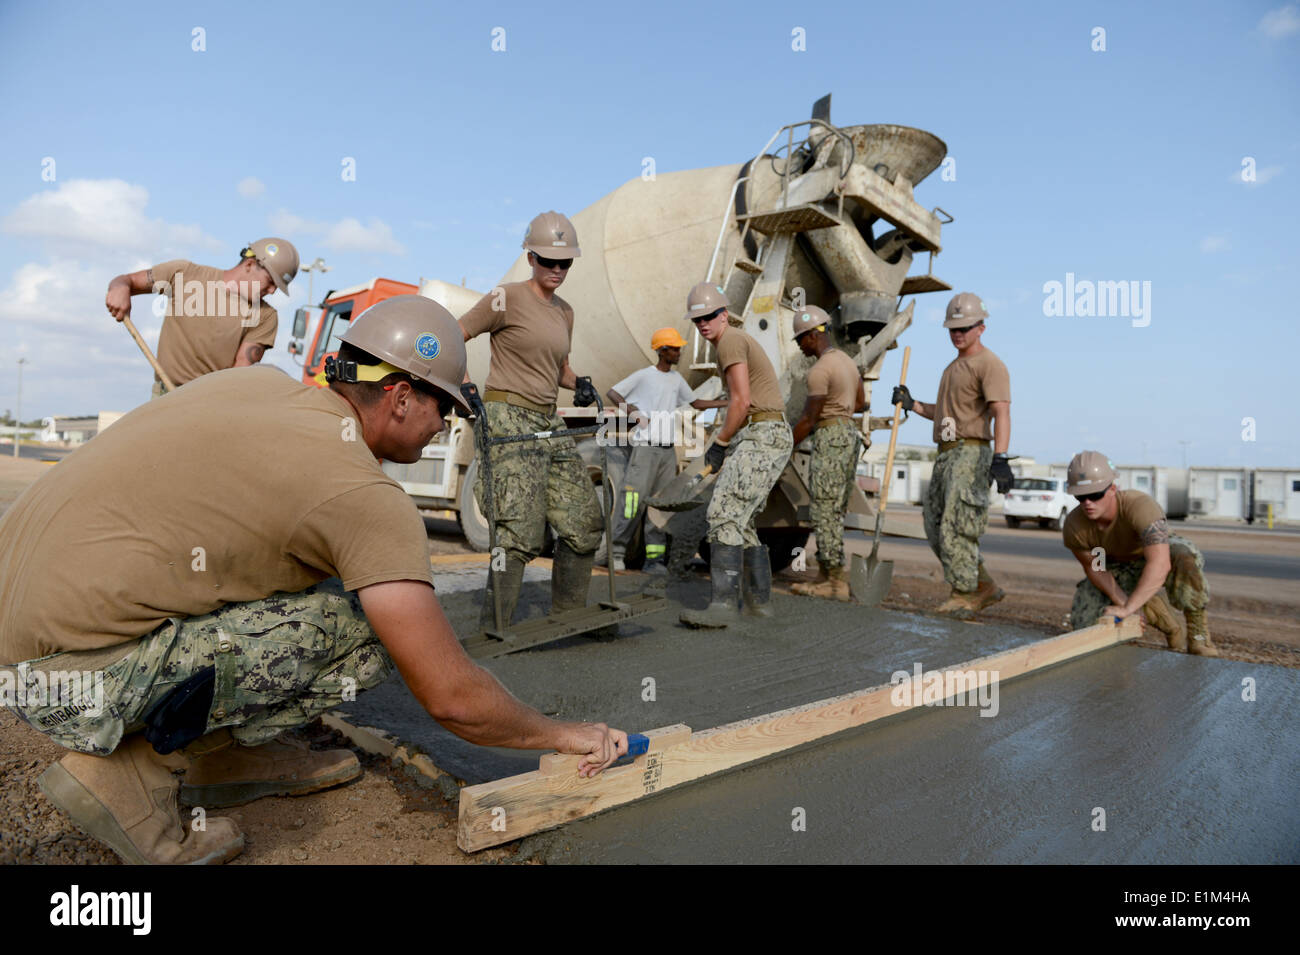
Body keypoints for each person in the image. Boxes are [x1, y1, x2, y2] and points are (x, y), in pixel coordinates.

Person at [0, 296, 628, 865]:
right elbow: (449, 695)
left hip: (19, 654)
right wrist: (562, 733)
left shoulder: (253, 383)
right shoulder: (363, 494)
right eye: (444, 405)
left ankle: (222, 756)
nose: (446, 425)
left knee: (299, 583)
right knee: (368, 630)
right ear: (401, 396)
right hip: (70, 689)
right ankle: (132, 777)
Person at [458, 211, 605, 633]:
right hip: (507, 418)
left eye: (565, 263)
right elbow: (455, 333)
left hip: (548, 420)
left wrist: (580, 384)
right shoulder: (505, 297)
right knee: (518, 532)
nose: (557, 270)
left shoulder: (566, 312)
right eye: (548, 261)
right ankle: (496, 626)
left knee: (583, 521)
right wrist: (465, 384)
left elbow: (559, 367)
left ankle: (569, 614)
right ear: (530, 258)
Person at [678, 282, 793, 628]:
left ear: (724, 315)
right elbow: (739, 400)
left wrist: (720, 443)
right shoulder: (732, 342)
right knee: (740, 519)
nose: (703, 324)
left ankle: (724, 607)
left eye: (709, 316)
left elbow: (742, 402)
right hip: (763, 433)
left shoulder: (729, 341)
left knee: (723, 513)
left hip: (762, 433)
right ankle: (759, 605)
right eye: (697, 319)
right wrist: (724, 428)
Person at [892, 291, 1012, 618]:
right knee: (934, 525)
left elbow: (1001, 412)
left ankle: (963, 594)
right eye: (952, 329)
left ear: (981, 327)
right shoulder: (953, 367)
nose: (958, 334)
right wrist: (913, 404)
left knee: (958, 526)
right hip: (945, 454)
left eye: (965, 328)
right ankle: (983, 585)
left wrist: (1000, 458)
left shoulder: (989, 364)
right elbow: (946, 414)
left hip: (970, 454)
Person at [1062, 450, 1218, 655]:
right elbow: (1097, 570)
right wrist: (1127, 606)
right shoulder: (1075, 526)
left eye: (1095, 495)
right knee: (1086, 629)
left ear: (1113, 489)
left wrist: (1127, 609)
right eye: (1081, 497)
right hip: (1116, 566)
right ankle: (1163, 618)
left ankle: (1199, 637)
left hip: (1151, 559)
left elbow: (1160, 563)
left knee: (1182, 555)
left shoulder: (1139, 507)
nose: (1088, 503)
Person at [105, 237, 299, 396]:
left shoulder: (265, 317)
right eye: (271, 282)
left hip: (210, 404)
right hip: (163, 398)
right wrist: (119, 288)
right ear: (249, 264)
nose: (273, 291)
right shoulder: (185, 274)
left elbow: (239, 373)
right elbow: (127, 281)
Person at [604, 327, 727, 573]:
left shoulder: (676, 380)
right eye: (674, 348)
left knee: (662, 506)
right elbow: (613, 393)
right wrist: (635, 414)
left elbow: (695, 403)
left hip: (667, 453)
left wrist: (727, 401)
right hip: (646, 450)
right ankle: (616, 552)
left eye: (679, 348)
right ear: (662, 351)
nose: (679, 352)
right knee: (632, 501)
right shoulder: (644, 376)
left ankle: (655, 561)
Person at [788, 306, 866, 601]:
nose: (799, 346)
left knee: (824, 509)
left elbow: (809, 418)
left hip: (830, 436)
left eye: (800, 340)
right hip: (848, 433)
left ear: (812, 335)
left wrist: (786, 447)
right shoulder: (847, 362)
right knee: (835, 507)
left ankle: (835, 580)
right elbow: (860, 402)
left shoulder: (819, 370)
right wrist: (840, 407)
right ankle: (825, 574)